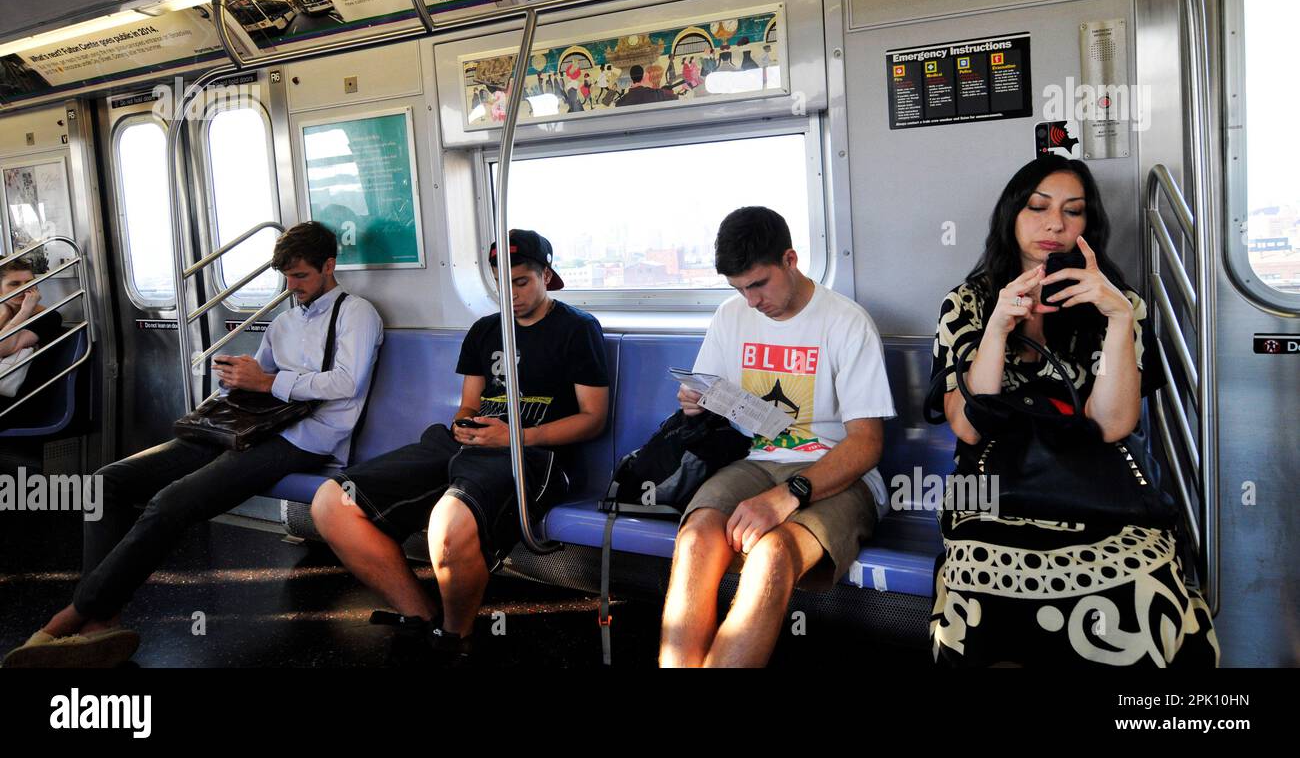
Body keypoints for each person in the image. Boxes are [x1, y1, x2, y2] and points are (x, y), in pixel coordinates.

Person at [2, 222, 384, 668]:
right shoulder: (283, 323)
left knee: (171, 503)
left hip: (307, 438)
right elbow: (255, 380)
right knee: (107, 483)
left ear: (329, 266)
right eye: (286, 277)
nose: (292, 287)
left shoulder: (356, 313)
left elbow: (346, 382)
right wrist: (236, 379)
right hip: (249, 428)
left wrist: (270, 381)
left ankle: (70, 618)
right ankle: (101, 623)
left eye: (300, 276)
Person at [928, 156, 1218, 667]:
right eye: (1037, 207)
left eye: (1073, 211)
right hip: (991, 486)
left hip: (1095, 482)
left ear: (1090, 224)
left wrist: (1118, 320)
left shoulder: (1119, 303)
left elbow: (1110, 425)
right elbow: (968, 428)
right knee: (979, 584)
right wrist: (997, 328)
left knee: (1142, 582)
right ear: (1010, 218)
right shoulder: (968, 305)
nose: (1055, 224)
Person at [311, 230, 609, 662]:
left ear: (546, 274)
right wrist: (467, 426)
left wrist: (514, 436)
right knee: (331, 503)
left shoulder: (577, 329)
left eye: (522, 281)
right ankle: (420, 615)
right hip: (467, 444)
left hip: (532, 455)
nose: (512, 294)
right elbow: (468, 403)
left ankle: (454, 636)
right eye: (501, 283)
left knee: (448, 526)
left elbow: (592, 418)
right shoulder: (485, 330)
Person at [659, 207, 895, 667]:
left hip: (838, 468)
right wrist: (695, 401)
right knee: (696, 540)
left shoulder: (846, 322)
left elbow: (866, 443)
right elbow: (712, 394)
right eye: (738, 289)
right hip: (760, 457)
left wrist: (786, 497)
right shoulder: (732, 317)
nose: (751, 301)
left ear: (790, 259)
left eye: (758, 284)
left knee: (771, 554)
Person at [0, 256, 65, 423]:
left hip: (20, 399)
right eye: (14, 284)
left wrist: (25, 310)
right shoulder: (4, 313)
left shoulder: (49, 317)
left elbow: (3, 347)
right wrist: (5, 313)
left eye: (29, 283)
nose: (24, 289)